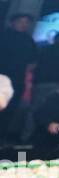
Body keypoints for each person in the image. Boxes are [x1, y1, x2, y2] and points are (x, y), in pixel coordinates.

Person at [0, 14, 37, 142]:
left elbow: (33, 62)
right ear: (12, 22)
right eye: (21, 21)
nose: (23, 24)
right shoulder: (4, 36)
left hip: (16, 81)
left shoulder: (28, 40)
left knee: (9, 112)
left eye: (26, 22)